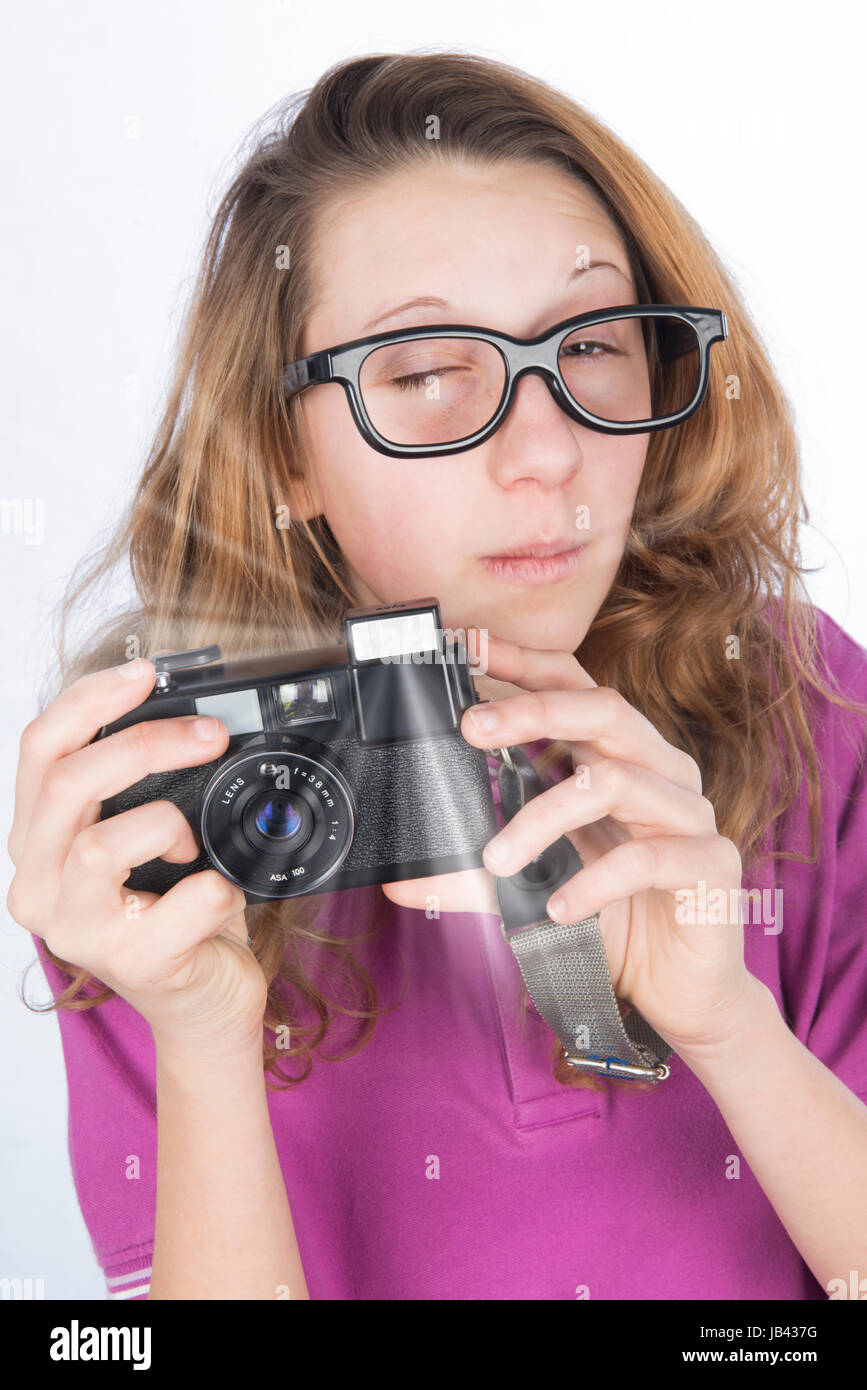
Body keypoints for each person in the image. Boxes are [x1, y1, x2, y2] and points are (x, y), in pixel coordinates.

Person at [8, 51, 867, 1302]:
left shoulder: (799, 697)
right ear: (283, 456)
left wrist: (727, 1022)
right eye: (421, 374)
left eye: (594, 345)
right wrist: (199, 1037)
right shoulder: (164, 808)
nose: (546, 450)